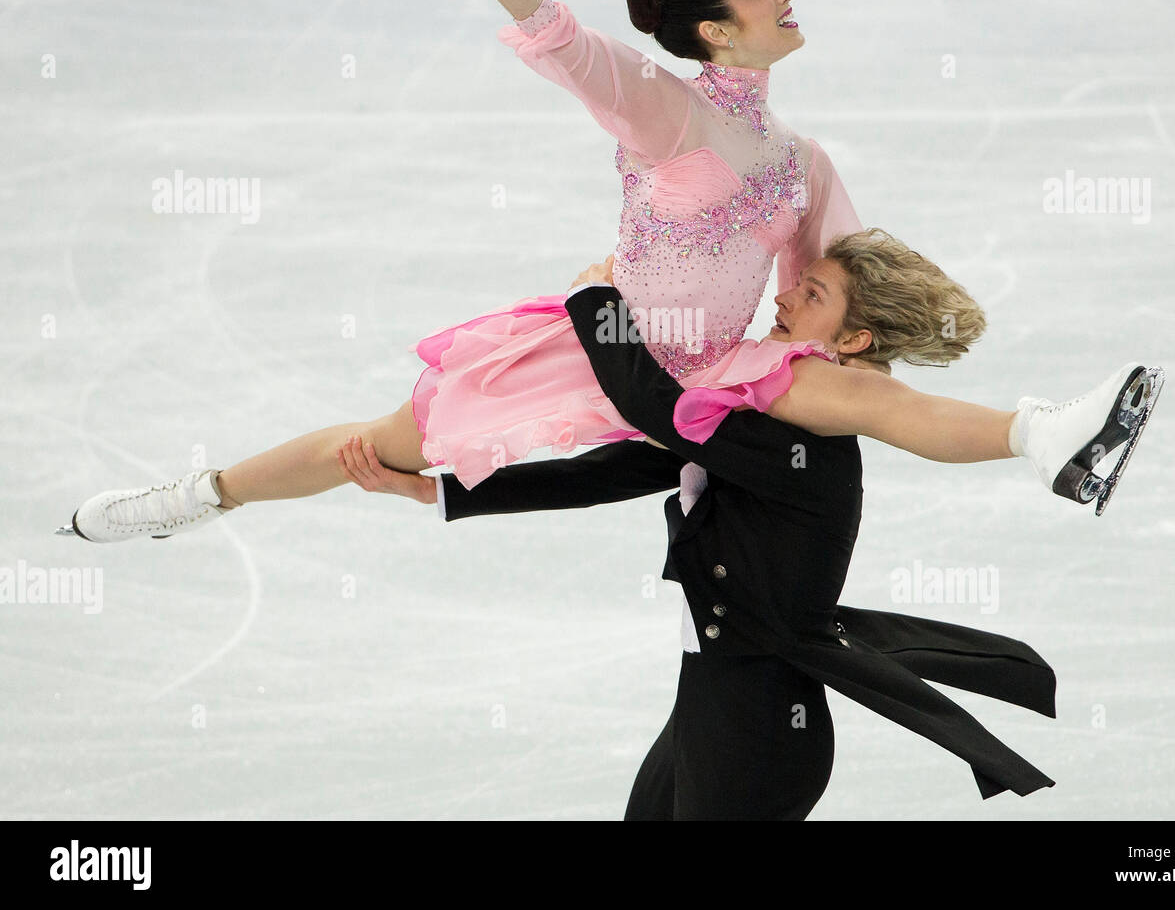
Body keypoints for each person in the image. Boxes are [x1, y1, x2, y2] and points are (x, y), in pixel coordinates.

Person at [57, 0, 1162, 543]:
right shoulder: (667, 115)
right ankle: (202, 496)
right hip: (608, 348)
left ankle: (1048, 438)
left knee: (870, 404)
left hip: (720, 372)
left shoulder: (800, 158)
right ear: (717, 32)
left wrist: (867, 349)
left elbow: (840, 283)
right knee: (389, 446)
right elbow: (568, 47)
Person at [336, 252, 1059, 818]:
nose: (782, 297)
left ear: (852, 340)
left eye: (811, 296)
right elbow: (603, 475)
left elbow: (653, 407)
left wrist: (598, 307)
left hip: (756, 734)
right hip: (716, 710)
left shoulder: (797, 442)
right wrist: (435, 490)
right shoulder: (765, 424)